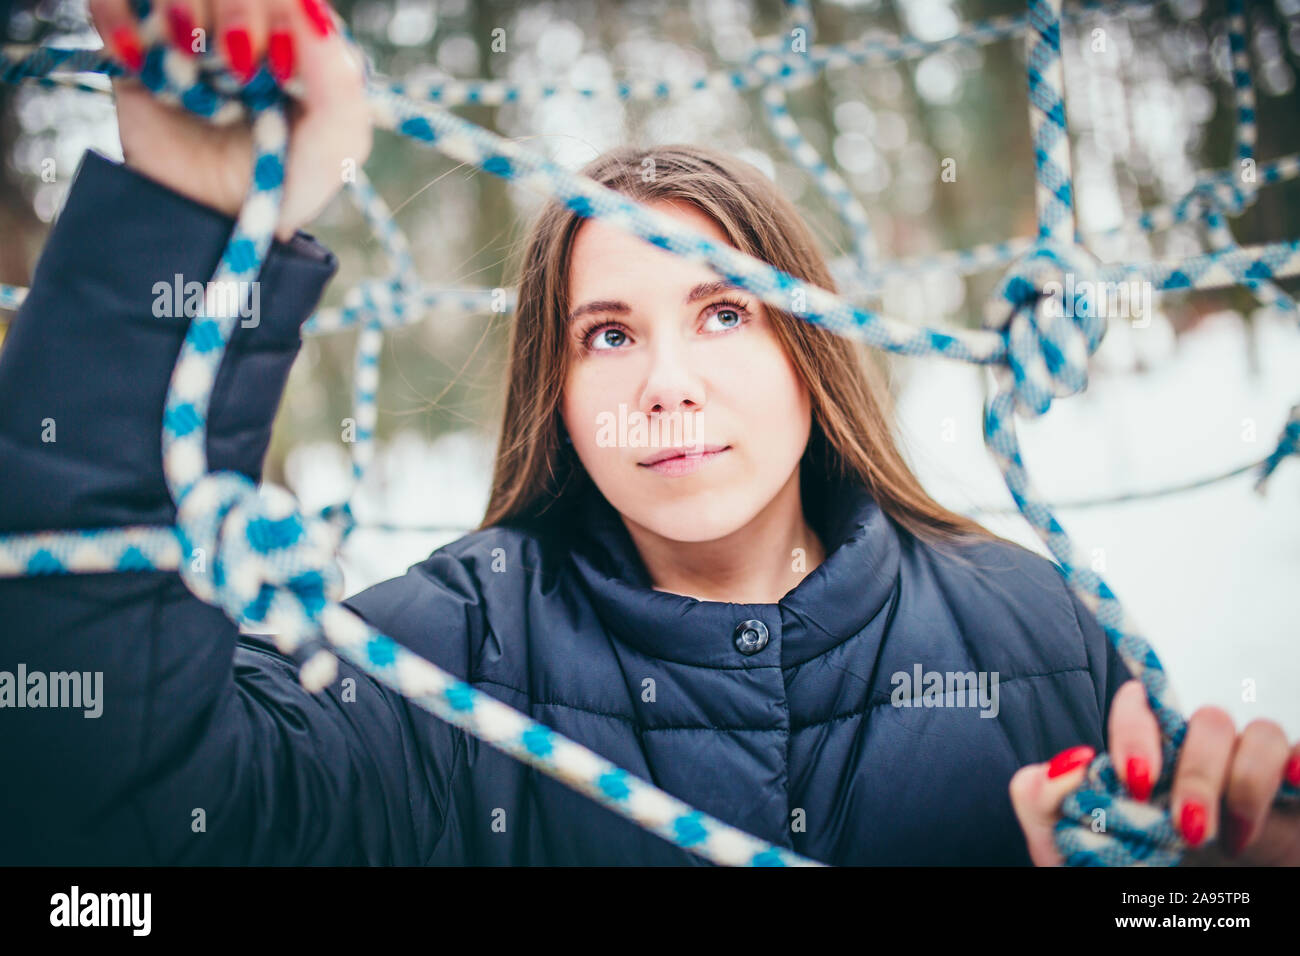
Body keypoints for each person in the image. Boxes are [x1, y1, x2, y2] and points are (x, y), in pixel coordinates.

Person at [1, 0, 1297, 866]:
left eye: (723, 312)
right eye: (607, 334)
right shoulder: (437, 661)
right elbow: (106, 814)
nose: (664, 381)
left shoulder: (1033, 629)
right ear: (556, 390)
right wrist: (191, 212)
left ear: (809, 348)